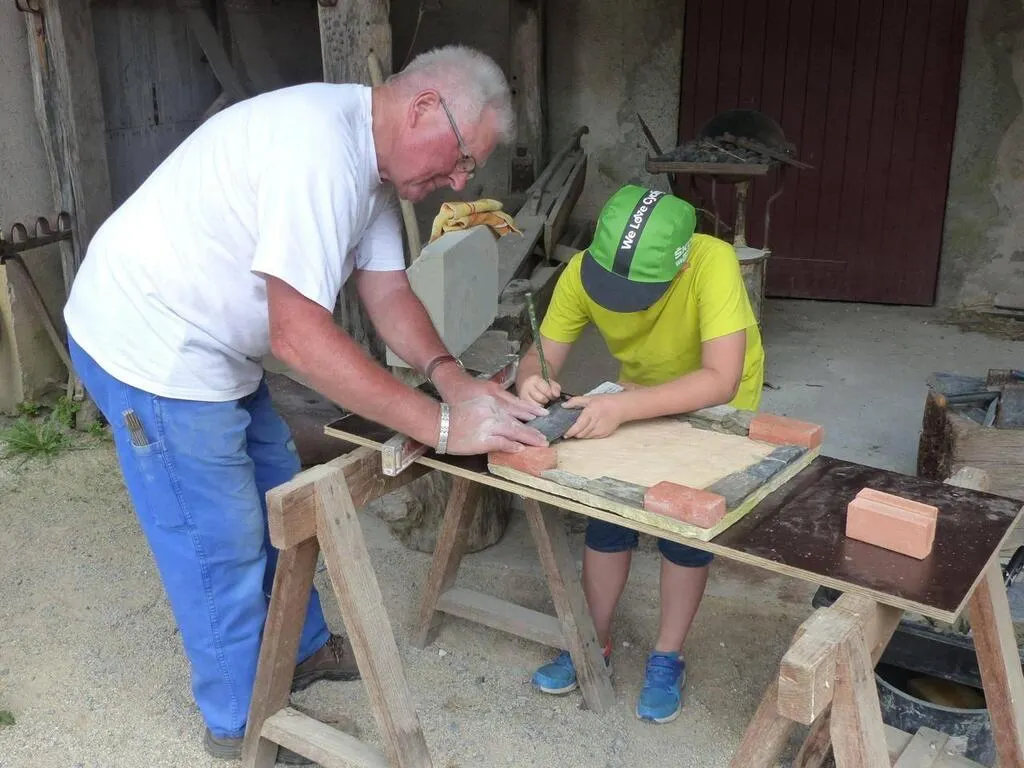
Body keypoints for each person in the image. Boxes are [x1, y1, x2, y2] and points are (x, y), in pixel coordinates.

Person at [62, 45, 548, 762]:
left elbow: (387, 291)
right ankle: (240, 721)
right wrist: (439, 427)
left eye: (466, 169)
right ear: (422, 108)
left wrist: (449, 377)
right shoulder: (318, 151)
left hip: (213, 345)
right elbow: (297, 335)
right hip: (149, 346)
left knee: (277, 485)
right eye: (457, 161)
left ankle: (302, 646)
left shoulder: (375, 169)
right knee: (216, 539)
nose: (454, 182)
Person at [515, 184, 765, 724]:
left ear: (677, 267)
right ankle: (593, 641)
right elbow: (538, 361)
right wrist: (533, 382)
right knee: (609, 516)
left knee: (685, 527)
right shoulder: (584, 270)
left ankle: (667, 657)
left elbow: (720, 379)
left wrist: (624, 410)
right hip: (633, 393)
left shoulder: (711, 261)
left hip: (715, 403)